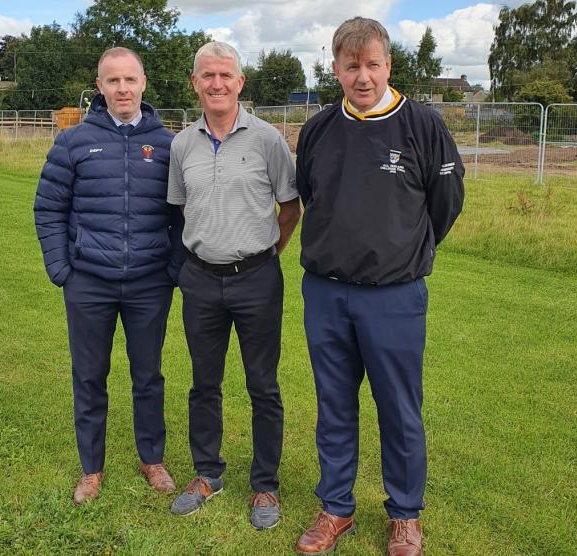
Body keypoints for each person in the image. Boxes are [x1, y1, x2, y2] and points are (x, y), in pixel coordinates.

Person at [294, 17, 465, 556]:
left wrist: (400, 250)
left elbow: (445, 205)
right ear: (336, 69)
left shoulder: (422, 126)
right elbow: (311, 197)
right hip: (326, 294)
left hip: (394, 297)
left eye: (372, 65)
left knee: (398, 408)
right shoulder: (318, 129)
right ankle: (335, 508)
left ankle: (405, 514)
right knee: (334, 404)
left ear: (389, 65)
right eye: (351, 66)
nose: (362, 76)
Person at [34, 47, 184, 505]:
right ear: (99, 87)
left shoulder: (168, 144)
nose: (123, 89)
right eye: (112, 81)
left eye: (130, 80)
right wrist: (62, 268)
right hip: (89, 282)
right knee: (89, 376)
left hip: (148, 282)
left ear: (144, 83)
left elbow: (182, 215)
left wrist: (172, 268)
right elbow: (48, 208)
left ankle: (152, 459)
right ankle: (91, 469)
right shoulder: (73, 141)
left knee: (148, 376)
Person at [166, 41, 300, 530]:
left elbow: (290, 208)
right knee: (204, 384)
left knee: (262, 386)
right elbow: (179, 209)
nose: (217, 84)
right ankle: (207, 474)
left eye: (226, 75)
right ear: (195, 83)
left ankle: (264, 485)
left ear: (240, 82)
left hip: (258, 279)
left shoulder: (267, 139)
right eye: (207, 75)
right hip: (200, 280)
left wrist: (266, 257)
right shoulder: (182, 145)